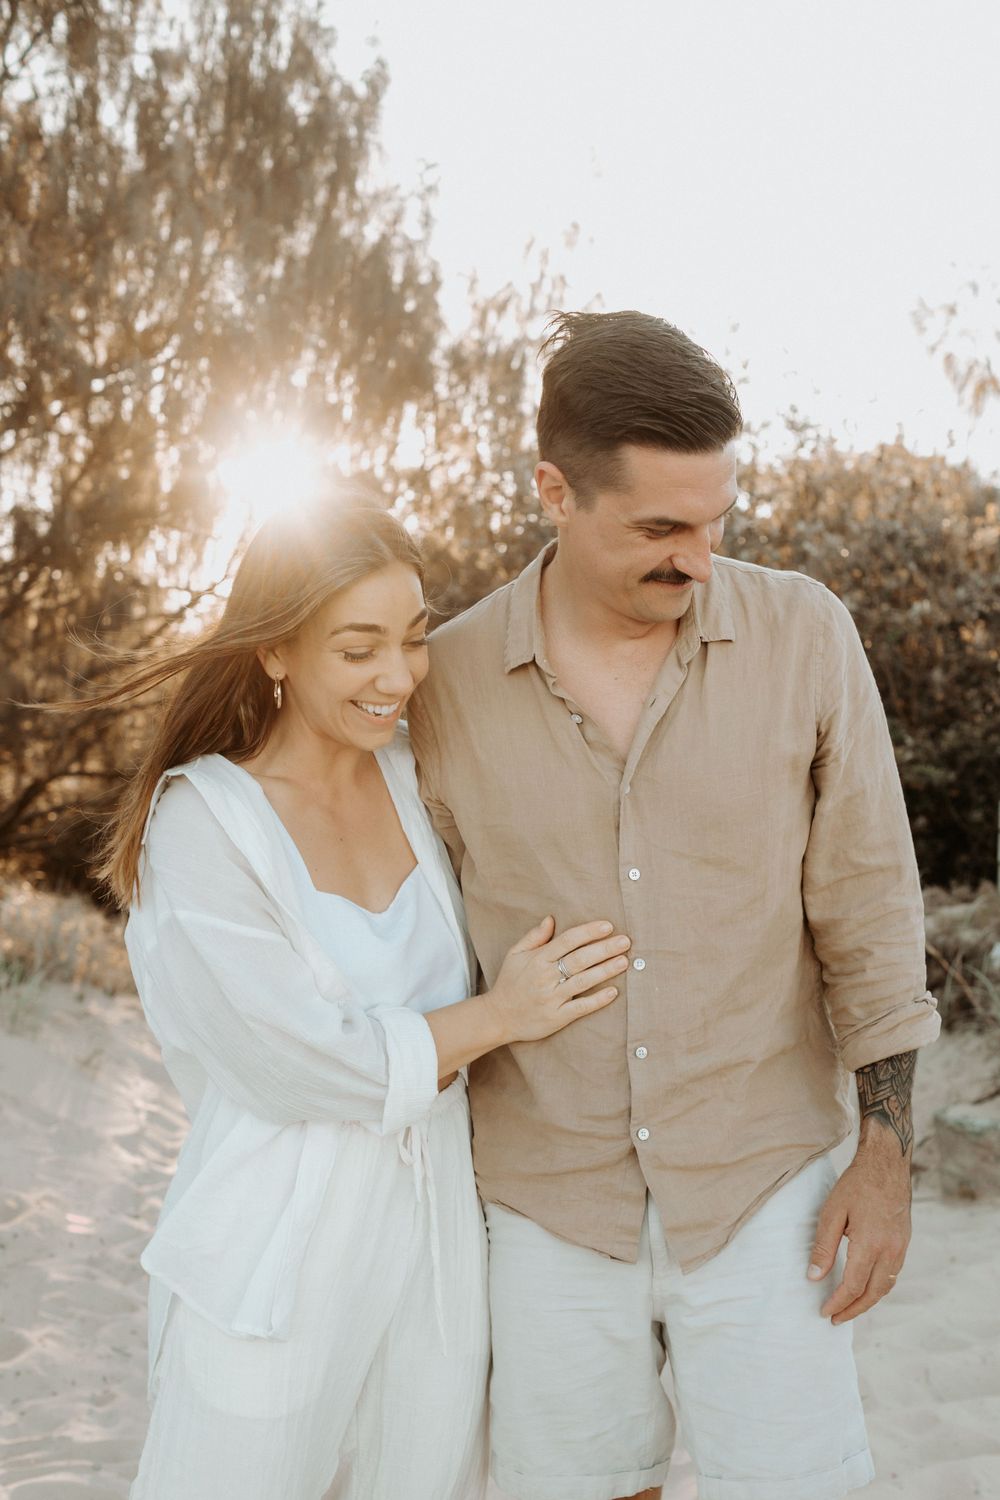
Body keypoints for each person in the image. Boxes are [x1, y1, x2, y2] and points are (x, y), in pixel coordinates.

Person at [408, 310, 941, 1500]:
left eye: (714, 521)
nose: (696, 557)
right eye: (658, 527)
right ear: (555, 489)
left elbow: (868, 907)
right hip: (545, 1197)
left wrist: (885, 1154)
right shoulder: (441, 682)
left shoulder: (805, 635)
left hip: (766, 1180)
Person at [90, 496, 631, 1500]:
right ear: (275, 653)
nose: (398, 678)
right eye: (359, 649)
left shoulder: (415, 777)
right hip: (277, 1245)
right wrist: (500, 1017)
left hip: (435, 1245)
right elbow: (288, 1058)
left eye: (415, 640)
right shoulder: (204, 823)